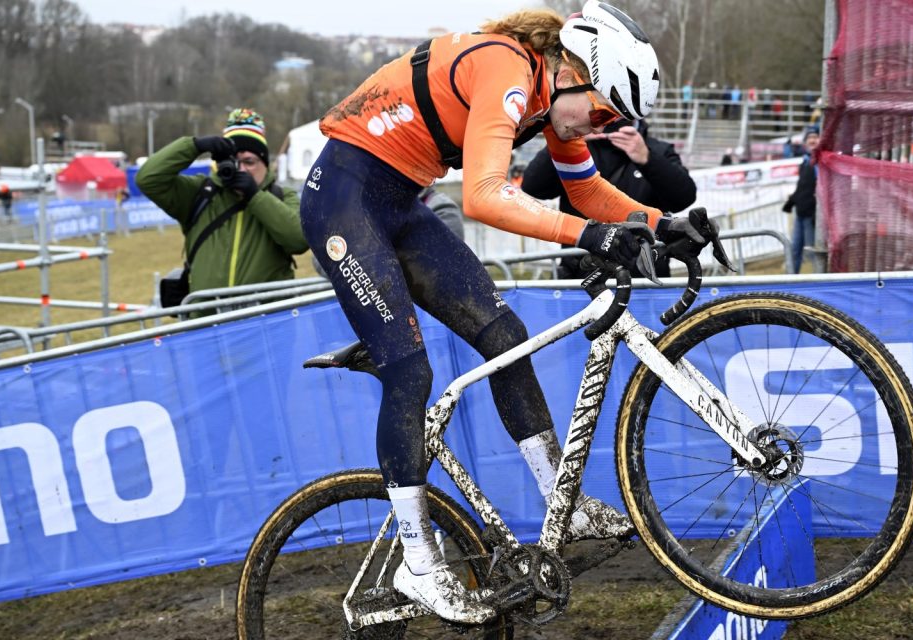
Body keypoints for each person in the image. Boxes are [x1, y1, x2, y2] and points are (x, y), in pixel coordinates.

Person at [303, 2, 709, 624]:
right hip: (345, 201)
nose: (599, 126)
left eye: (612, 121)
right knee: (410, 372)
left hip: (399, 201)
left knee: (506, 336)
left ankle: (560, 504)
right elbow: (484, 196)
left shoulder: (554, 100)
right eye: (601, 110)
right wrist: (589, 237)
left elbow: (588, 191)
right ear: (575, 70)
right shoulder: (507, 69)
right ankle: (419, 561)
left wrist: (661, 224)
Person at [135, 108, 308, 307]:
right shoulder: (200, 193)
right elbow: (147, 179)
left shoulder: (282, 196)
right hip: (206, 322)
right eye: (234, 162)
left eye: (249, 162)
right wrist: (194, 146)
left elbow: (299, 239)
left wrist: (255, 196)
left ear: (265, 163)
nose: (241, 169)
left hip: (265, 325)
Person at [521, 117, 696, 278]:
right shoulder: (577, 148)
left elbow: (684, 197)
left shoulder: (656, 149)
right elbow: (533, 186)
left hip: (642, 274)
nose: (614, 117)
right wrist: (567, 139)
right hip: (581, 271)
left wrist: (647, 159)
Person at [782, 128, 820, 274]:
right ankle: (790, 283)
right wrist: (791, 202)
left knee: (814, 252)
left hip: (813, 216)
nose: (812, 140)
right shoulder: (804, 162)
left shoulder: (821, 162)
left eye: (815, 137)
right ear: (805, 143)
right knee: (795, 250)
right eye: (809, 137)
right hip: (801, 214)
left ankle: (819, 281)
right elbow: (802, 187)